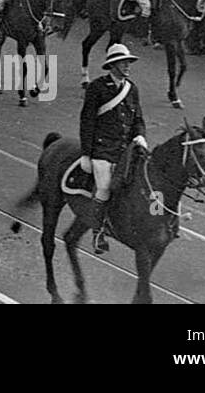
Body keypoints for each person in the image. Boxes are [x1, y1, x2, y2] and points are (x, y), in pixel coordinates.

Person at [79, 43, 148, 255]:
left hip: (126, 150)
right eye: (123, 62)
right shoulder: (97, 88)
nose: (127, 66)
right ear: (112, 65)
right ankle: (98, 232)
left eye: (128, 62)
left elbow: (138, 118)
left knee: (146, 181)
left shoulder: (132, 89)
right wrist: (86, 154)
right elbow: (87, 121)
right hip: (103, 150)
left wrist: (140, 136)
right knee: (105, 188)